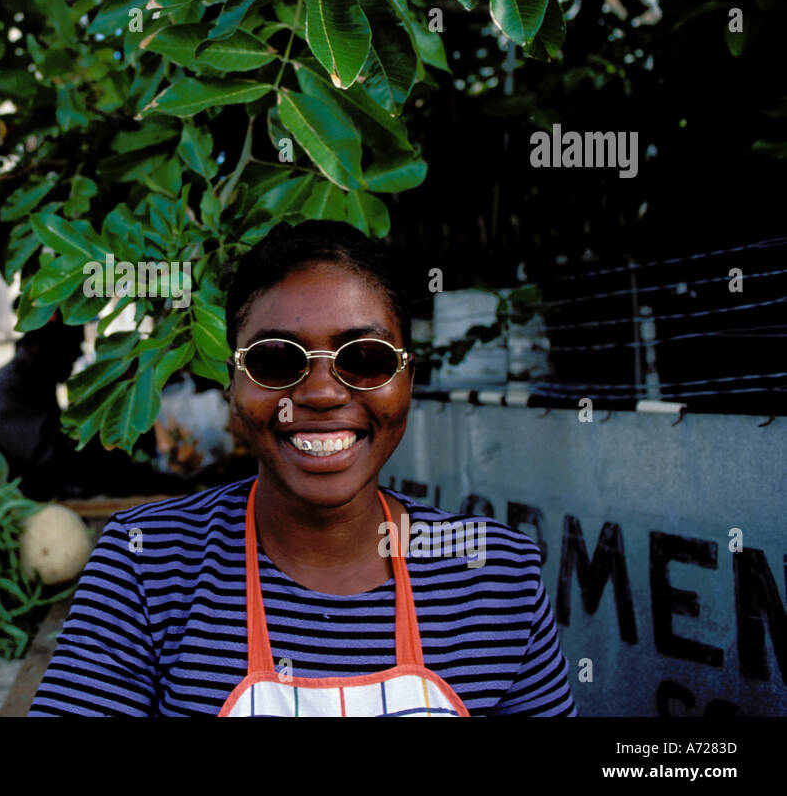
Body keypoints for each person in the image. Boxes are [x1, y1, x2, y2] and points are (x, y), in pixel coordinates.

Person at [29, 219, 577, 716]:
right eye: (275, 360)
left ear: (408, 377)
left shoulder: (497, 577)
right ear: (234, 385)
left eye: (364, 358)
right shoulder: (148, 565)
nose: (319, 392)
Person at [0, 313, 185, 501]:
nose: (77, 354)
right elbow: (55, 458)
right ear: (44, 343)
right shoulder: (10, 387)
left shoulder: (35, 382)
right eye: (72, 343)